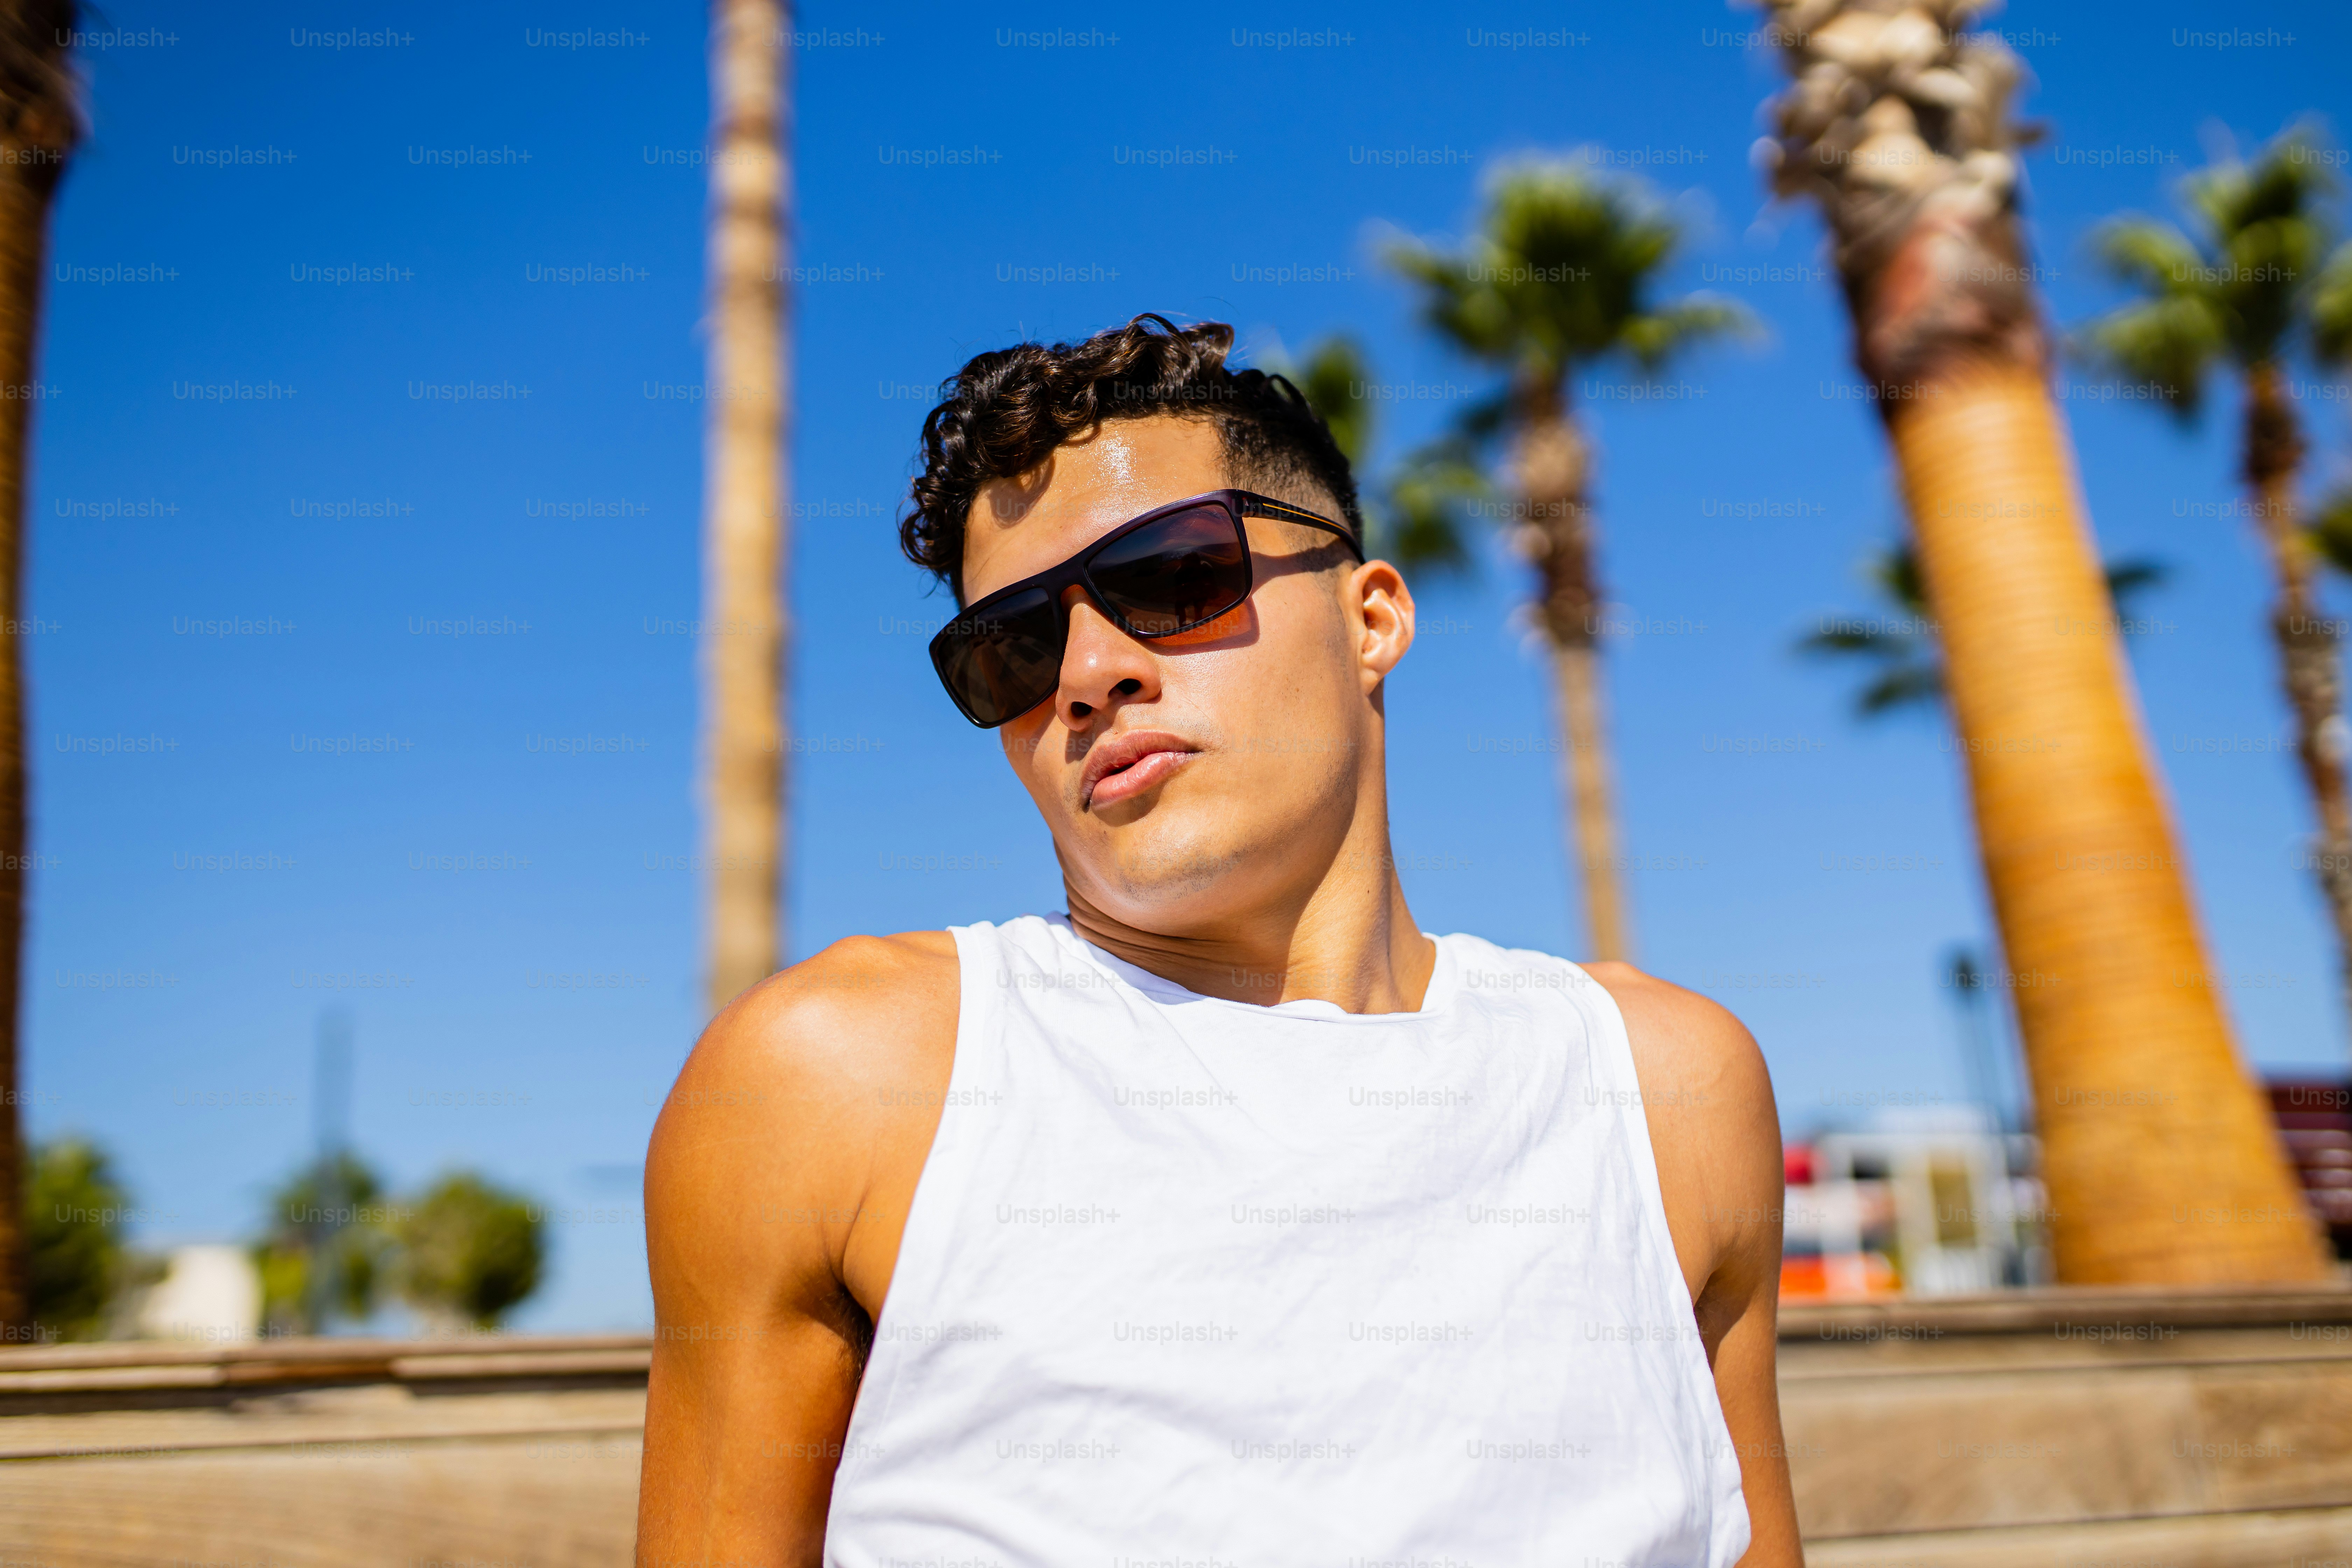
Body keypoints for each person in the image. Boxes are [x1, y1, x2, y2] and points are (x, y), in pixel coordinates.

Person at [637, 314, 1802, 1566]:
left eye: (1172, 575)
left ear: (1372, 621)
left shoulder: (1666, 1086)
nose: (1088, 670)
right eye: (1015, 647)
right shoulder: (842, 1078)